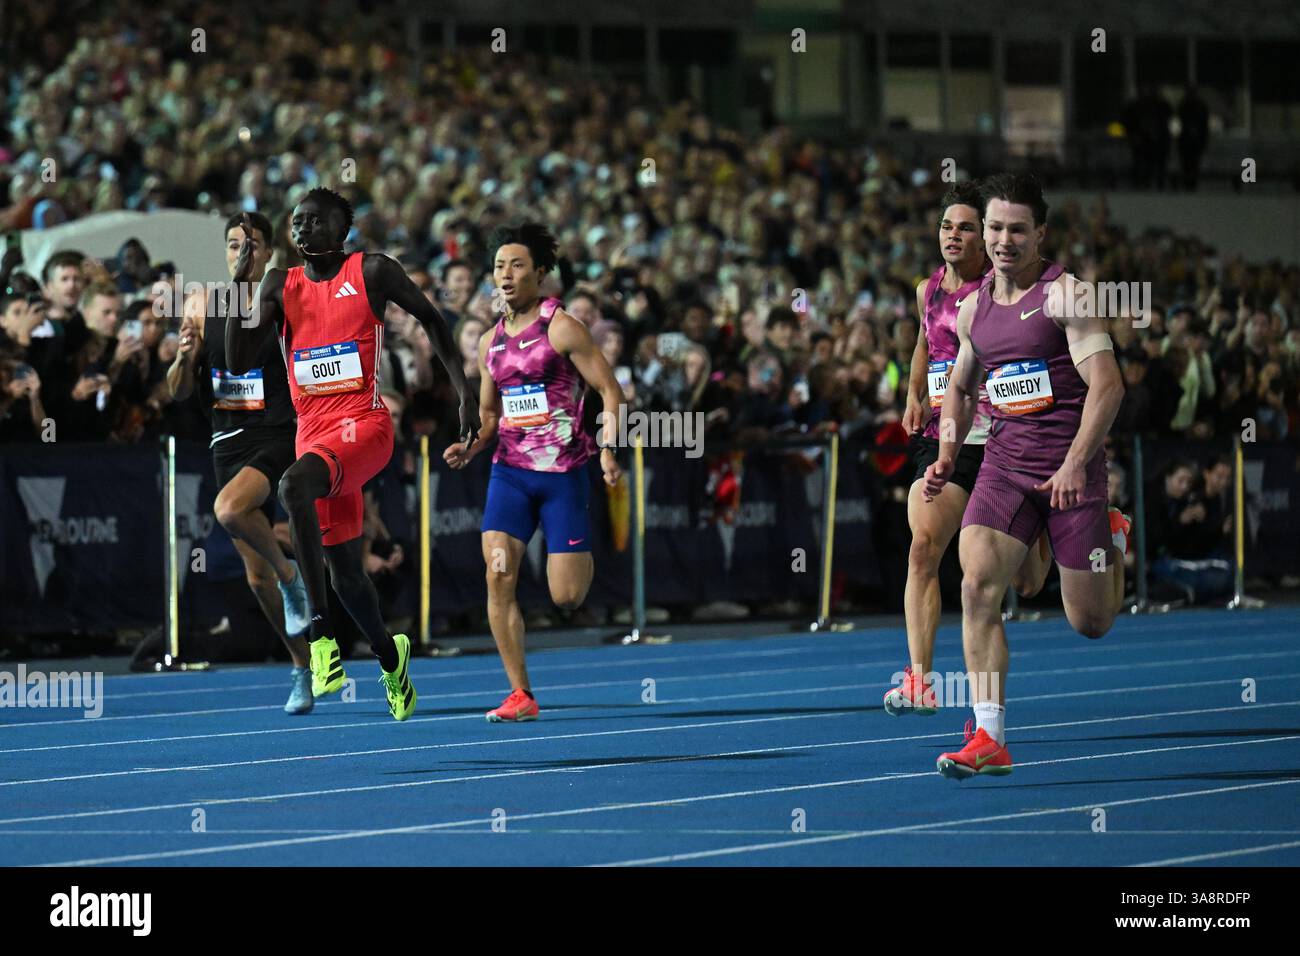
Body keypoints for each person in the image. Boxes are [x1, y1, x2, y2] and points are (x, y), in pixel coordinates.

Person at [228, 188, 479, 721]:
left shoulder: (372, 272)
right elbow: (237, 359)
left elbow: (433, 320)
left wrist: (466, 393)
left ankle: (321, 636)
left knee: (292, 486)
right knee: (347, 576)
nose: (302, 230)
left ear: (341, 231)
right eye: (297, 222)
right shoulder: (280, 283)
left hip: (364, 426)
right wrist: (239, 283)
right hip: (311, 433)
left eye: (316, 222)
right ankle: (391, 658)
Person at [923, 173, 1130, 778]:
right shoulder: (973, 308)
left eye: (1017, 229)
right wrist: (945, 451)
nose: (1004, 240)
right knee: (976, 584)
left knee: (1090, 623)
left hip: (1072, 472)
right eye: (994, 228)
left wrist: (1074, 464)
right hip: (1005, 468)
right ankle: (989, 736)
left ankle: (1112, 536)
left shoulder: (1066, 296)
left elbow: (1109, 385)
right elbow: (959, 389)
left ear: (1040, 233)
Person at [443, 222, 622, 722]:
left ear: (540, 273)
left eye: (516, 265)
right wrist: (471, 447)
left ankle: (581, 546)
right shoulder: (489, 343)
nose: (505, 274)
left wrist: (607, 449)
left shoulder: (561, 327)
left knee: (567, 596)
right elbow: (490, 416)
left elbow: (611, 392)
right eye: (499, 266)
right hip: (511, 474)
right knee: (498, 575)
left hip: (564, 473)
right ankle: (521, 693)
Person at [888, 181, 1052, 716]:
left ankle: (1073, 526)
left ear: (984, 238)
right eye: (946, 226)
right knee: (922, 547)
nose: (953, 235)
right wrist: (915, 394)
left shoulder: (999, 291)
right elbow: (923, 344)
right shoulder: (926, 289)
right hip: (943, 439)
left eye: (964, 227)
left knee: (1027, 584)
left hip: (1001, 441)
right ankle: (919, 680)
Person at [166, 211, 314, 713]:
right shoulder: (202, 303)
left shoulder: (283, 298)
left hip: (277, 433)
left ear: (270, 252)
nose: (241, 252)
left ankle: (294, 579)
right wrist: (185, 358)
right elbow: (180, 391)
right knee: (255, 577)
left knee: (229, 510)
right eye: (233, 245)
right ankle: (302, 667)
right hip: (225, 440)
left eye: (251, 244)